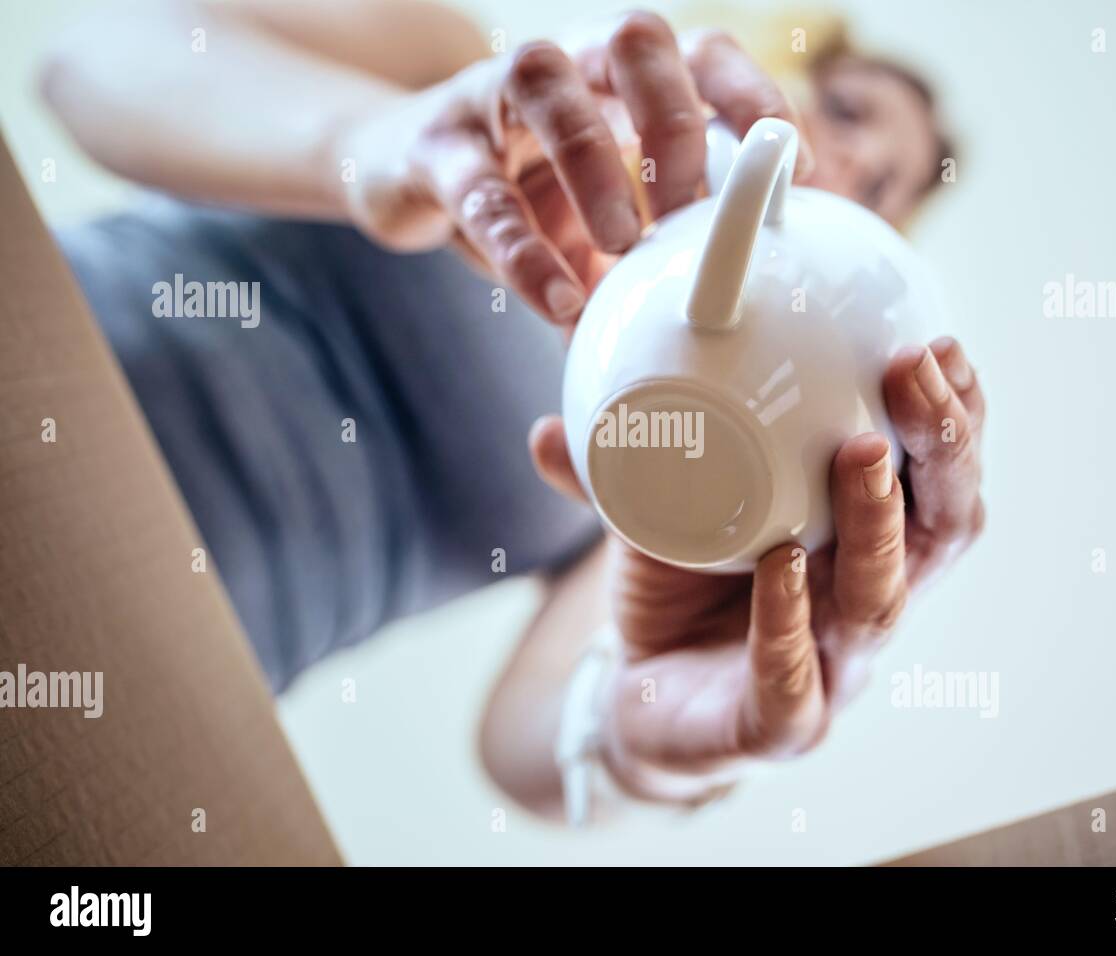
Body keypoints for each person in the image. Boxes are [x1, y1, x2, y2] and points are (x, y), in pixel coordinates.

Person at [40, 1, 985, 824]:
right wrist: (374, 143)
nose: (852, 155)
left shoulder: (694, 505)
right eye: (851, 110)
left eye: (879, 187)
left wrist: (645, 736)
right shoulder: (466, 80)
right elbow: (87, 58)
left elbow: (522, 746)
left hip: (119, 698)